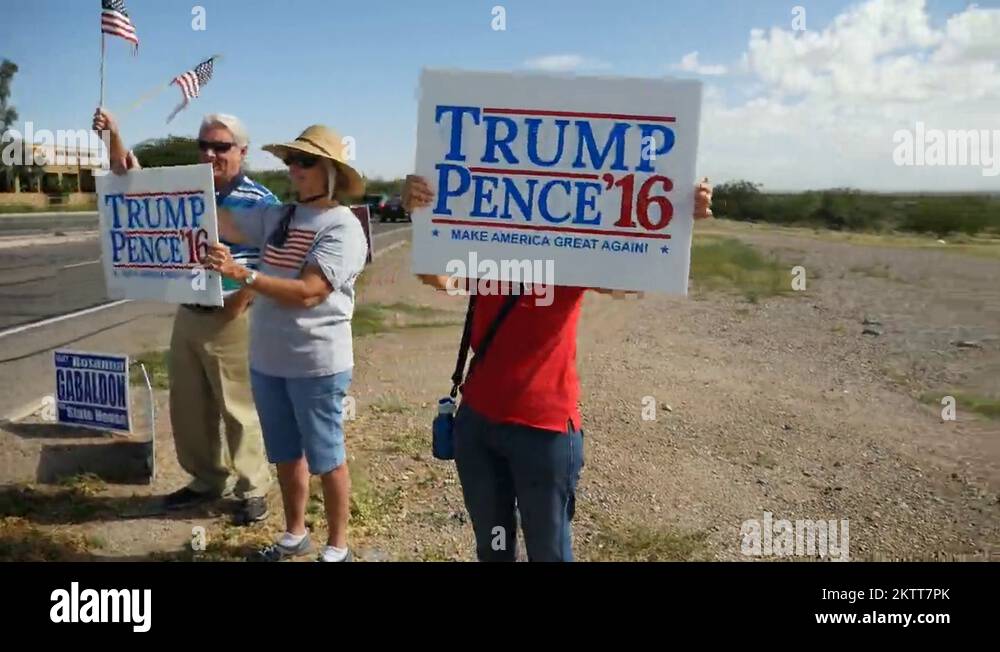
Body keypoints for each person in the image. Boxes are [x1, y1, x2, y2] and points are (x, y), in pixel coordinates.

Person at [403, 174, 713, 561]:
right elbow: (438, 278)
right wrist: (422, 219)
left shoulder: (573, 253)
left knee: (549, 551)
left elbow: (636, 277)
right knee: (492, 548)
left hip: (544, 431)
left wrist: (677, 219)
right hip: (477, 422)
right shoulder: (486, 248)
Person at [93, 108, 275, 524]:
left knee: (238, 407)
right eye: (205, 145)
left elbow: (276, 261)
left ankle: (252, 488)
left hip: (235, 316)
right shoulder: (186, 188)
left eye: (222, 147)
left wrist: (243, 298)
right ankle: (207, 480)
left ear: (242, 152)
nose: (211, 154)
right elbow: (131, 182)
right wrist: (114, 135)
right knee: (188, 406)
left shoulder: (261, 201)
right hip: (189, 312)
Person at [205, 125, 368, 562]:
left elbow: (311, 291)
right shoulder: (279, 216)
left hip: (317, 363)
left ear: (330, 171)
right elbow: (224, 222)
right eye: (291, 160)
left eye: (306, 161)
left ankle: (338, 545)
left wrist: (247, 276)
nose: (294, 169)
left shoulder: (343, 226)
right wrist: (153, 179)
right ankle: (295, 533)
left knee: (326, 455)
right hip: (267, 360)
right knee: (284, 453)